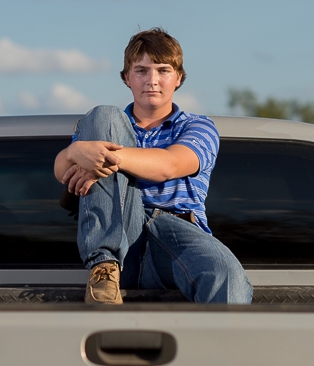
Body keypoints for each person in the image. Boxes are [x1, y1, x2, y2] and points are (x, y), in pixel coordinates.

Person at [53, 28, 252, 305]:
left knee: (226, 274)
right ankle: (104, 267)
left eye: (163, 70)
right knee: (104, 113)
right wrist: (74, 151)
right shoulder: (104, 128)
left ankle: (219, 347)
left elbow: (169, 165)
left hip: (176, 233)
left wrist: (101, 158)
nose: (152, 80)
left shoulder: (197, 127)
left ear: (178, 78)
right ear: (126, 78)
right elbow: (63, 173)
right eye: (141, 70)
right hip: (121, 229)